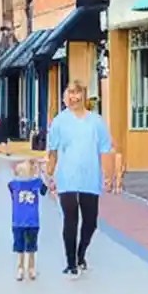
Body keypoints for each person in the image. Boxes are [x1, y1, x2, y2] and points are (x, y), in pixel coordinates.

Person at [46, 80, 114, 279]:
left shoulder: (96, 122)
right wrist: (49, 174)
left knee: (90, 221)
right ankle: (70, 263)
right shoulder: (59, 121)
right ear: (65, 96)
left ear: (84, 95)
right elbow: (53, 151)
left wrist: (109, 176)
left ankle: (80, 253)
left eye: (77, 93)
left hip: (90, 177)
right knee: (70, 219)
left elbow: (105, 150)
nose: (73, 97)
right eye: (70, 93)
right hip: (67, 177)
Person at [9, 158, 49, 281]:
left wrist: (42, 174)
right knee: (20, 246)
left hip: (30, 221)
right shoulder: (15, 184)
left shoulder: (35, 182)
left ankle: (31, 267)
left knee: (31, 246)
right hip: (20, 221)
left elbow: (44, 190)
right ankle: (21, 267)